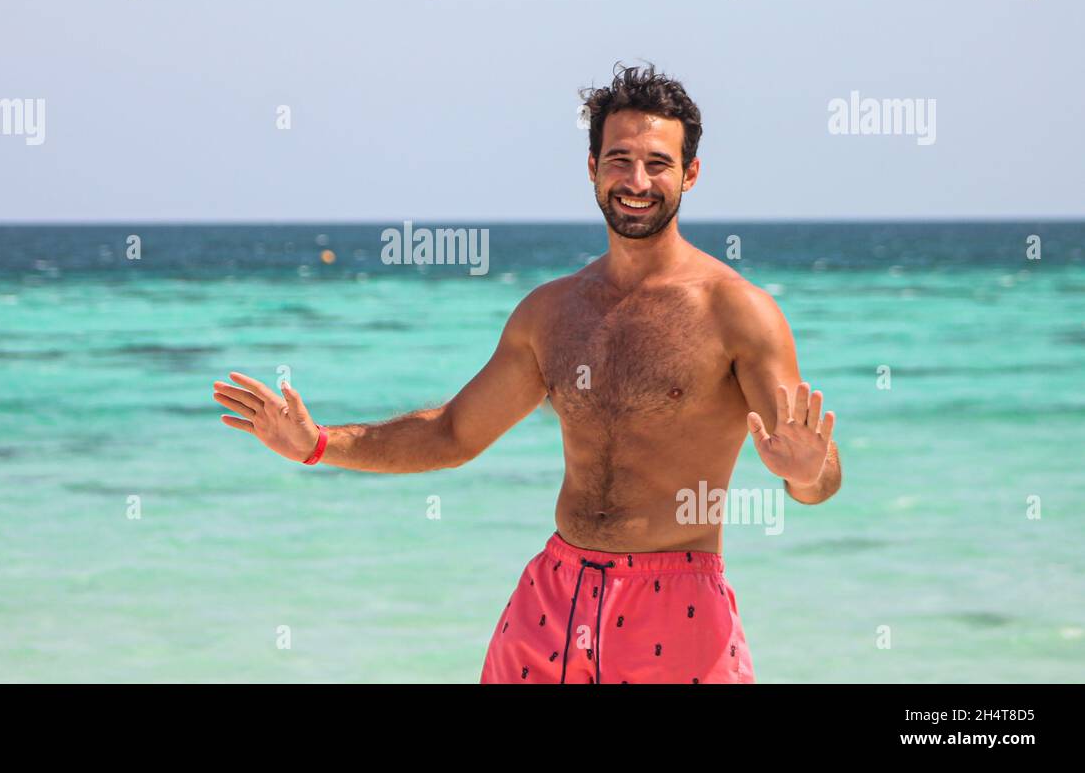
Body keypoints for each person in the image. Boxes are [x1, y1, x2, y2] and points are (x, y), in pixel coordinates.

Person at [213, 62, 841, 683]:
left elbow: (816, 475)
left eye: (658, 163)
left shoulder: (738, 312)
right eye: (619, 159)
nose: (637, 179)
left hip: (675, 607)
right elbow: (452, 434)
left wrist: (807, 474)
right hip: (550, 606)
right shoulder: (551, 312)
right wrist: (317, 444)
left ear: (691, 174)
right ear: (593, 168)